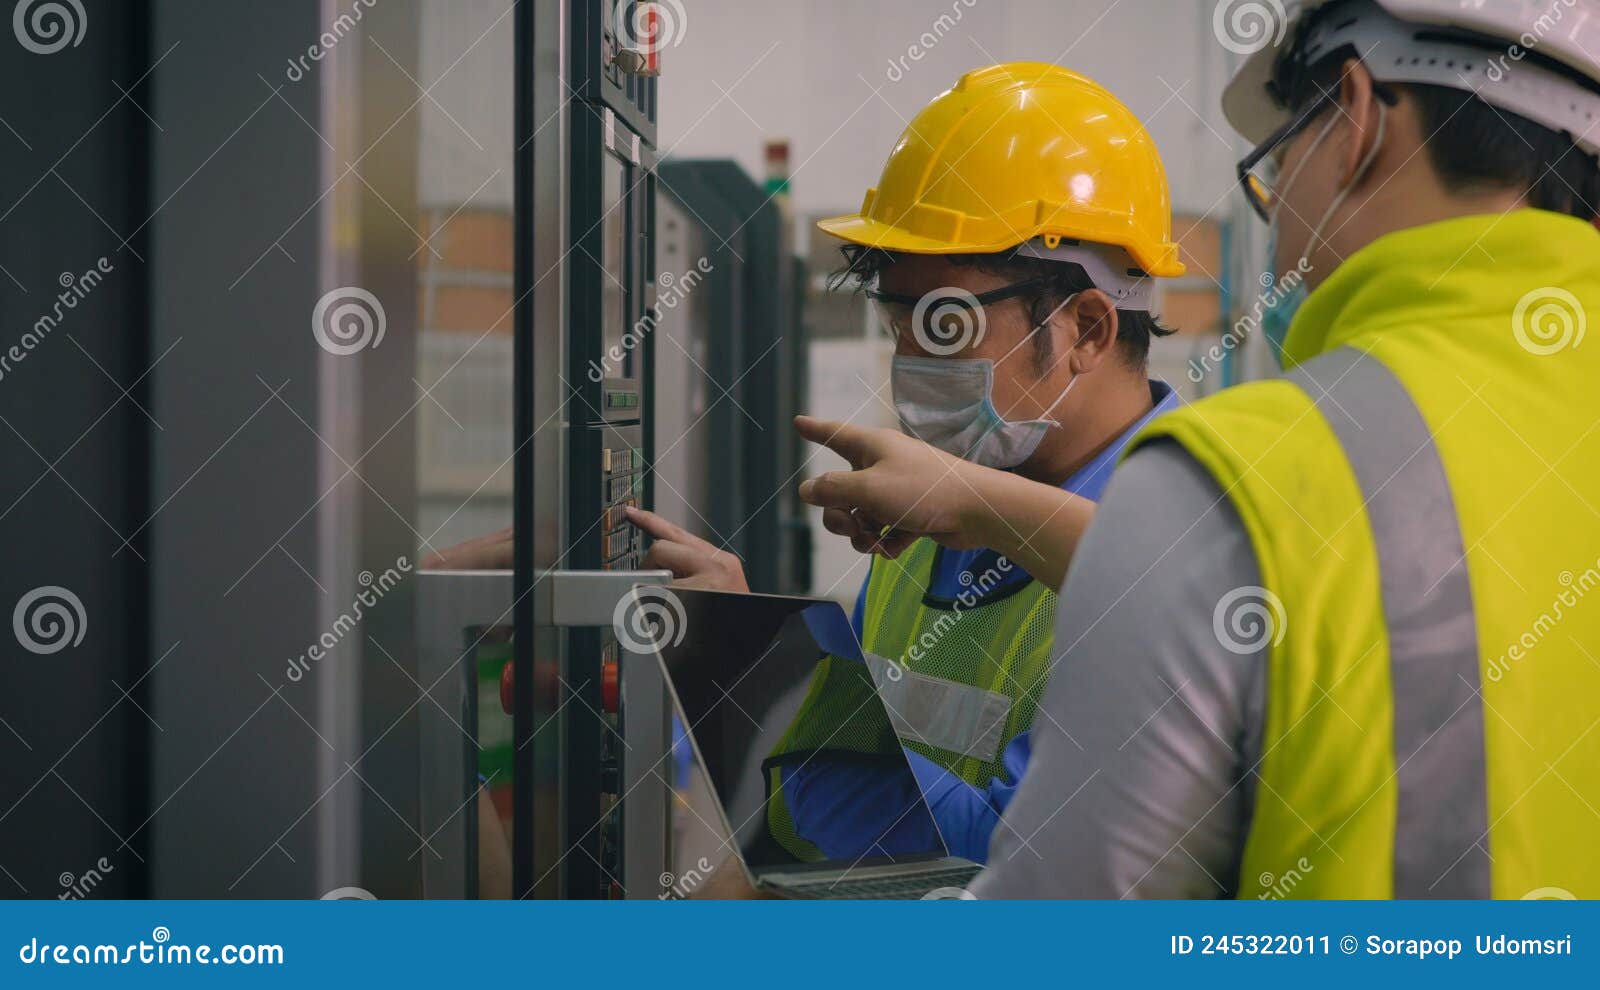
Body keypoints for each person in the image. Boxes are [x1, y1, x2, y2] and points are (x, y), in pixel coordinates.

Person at [798, 0, 1600, 897]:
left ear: (1356, 117)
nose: (1276, 214)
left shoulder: (1241, 476)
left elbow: (1067, 927)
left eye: (1276, 160)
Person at [627, 60, 1187, 861]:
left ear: (1089, 328)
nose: (912, 363)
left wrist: (760, 683)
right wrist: (745, 647)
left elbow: (1022, 869)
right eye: (900, 327)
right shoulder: (929, 522)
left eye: (946, 326)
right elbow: (810, 816)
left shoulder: (1192, 535)